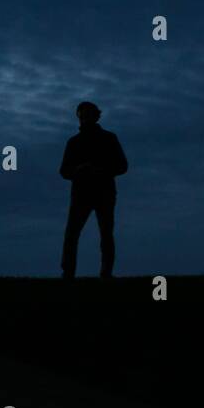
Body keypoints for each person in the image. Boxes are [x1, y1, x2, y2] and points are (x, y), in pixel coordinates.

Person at [59, 101, 128, 279]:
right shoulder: (74, 142)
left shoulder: (109, 138)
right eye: (82, 116)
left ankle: (106, 272)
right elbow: (64, 171)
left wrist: (101, 170)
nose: (85, 119)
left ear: (96, 116)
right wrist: (78, 170)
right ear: (79, 117)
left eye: (88, 115)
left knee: (105, 233)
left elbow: (122, 166)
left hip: (104, 192)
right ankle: (68, 272)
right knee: (72, 233)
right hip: (81, 193)